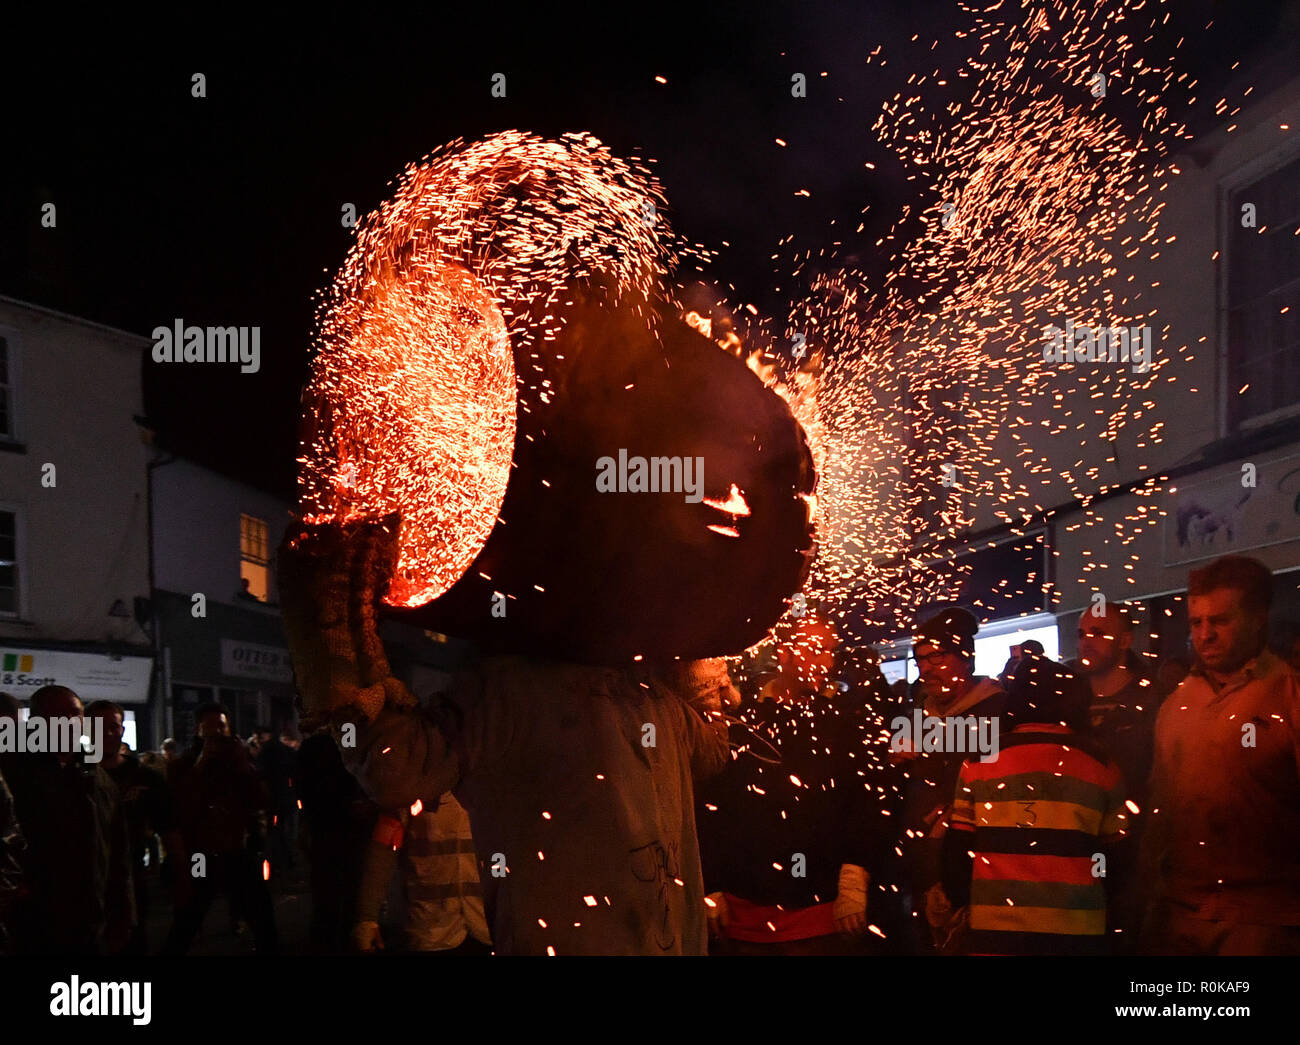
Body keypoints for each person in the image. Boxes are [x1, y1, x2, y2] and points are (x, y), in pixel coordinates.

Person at [278, 516, 729, 955]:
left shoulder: (506, 692)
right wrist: (698, 652)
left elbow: (393, 770)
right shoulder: (656, 701)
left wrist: (334, 654)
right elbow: (716, 751)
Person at [697, 616, 900, 954]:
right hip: (742, 918)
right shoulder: (742, 720)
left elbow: (866, 798)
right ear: (785, 653)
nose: (828, 662)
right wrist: (711, 883)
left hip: (820, 914)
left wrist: (855, 870)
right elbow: (715, 803)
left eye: (831, 652)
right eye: (818, 651)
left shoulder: (845, 720)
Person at [1140, 555, 1300, 955]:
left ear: (1258, 618)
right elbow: (1159, 806)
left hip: (1261, 919)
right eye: (1197, 623)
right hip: (1177, 911)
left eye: (1221, 621)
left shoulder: (1289, 697)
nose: (1205, 635)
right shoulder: (1176, 705)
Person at [941, 655, 1129, 954]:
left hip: (995, 934)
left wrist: (963, 900)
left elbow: (958, 853)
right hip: (1077, 933)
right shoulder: (1101, 765)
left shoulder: (979, 762)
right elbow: (1116, 859)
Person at [895, 607, 1006, 953]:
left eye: (937, 656)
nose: (926, 667)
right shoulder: (915, 714)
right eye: (920, 659)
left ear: (965, 658)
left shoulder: (996, 711)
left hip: (974, 874)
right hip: (918, 870)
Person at [0, 685, 134, 955]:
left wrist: (124, 912)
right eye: (57, 715)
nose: (70, 723)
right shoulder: (14, 775)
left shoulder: (98, 778)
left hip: (89, 917)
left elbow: (117, 853)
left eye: (75, 714)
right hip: (31, 921)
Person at [1068, 604, 1163, 951]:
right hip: (1074, 852)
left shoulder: (1152, 698)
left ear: (1125, 640)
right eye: (1081, 634)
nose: (1086, 643)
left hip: (1132, 855)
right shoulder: (1065, 696)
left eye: (1098, 633)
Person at [162, 702, 279, 954]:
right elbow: (180, 806)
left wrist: (243, 765)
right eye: (211, 727)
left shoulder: (238, 761)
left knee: (260, 910)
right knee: (190, 911)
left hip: (237, 849)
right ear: (198, 730)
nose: (217, 732)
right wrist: (202, 764)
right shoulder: (183, 765)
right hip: (200, 852)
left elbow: (260, 800)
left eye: (222, 727)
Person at [354, 787, 492, 954]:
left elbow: (503, 854)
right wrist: (367, 918)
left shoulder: (491, 786)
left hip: (485, 928)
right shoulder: (410, 789)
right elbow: (382, 854)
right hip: (428, 930)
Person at [84, 700, 171, 955]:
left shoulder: (146, 777)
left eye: (114, 727)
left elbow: (168, 827)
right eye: (100, 727)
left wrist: (182, 872)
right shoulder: (73, 774)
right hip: (82, 883)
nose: (108, 734)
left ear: (123, 730)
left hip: (131, 879)